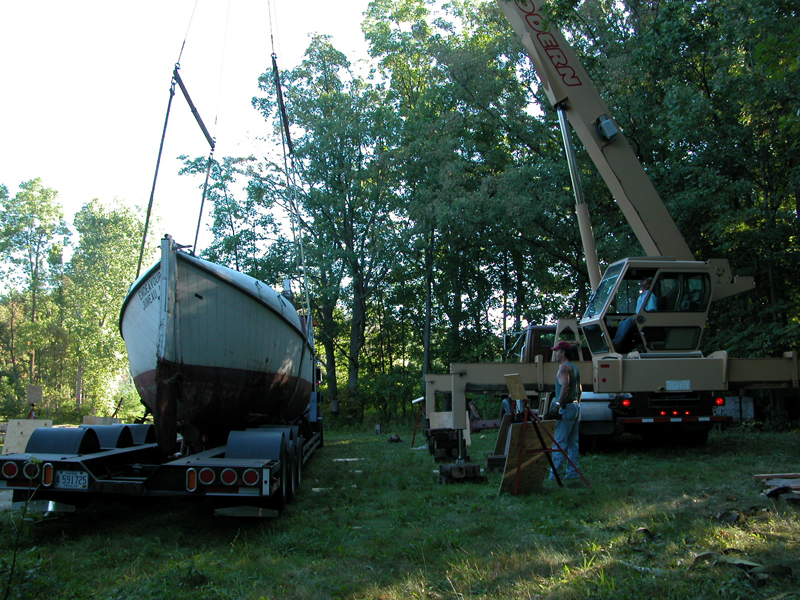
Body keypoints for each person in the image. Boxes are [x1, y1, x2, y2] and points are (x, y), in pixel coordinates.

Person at [549, 340, 581, 481]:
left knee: (559, 443)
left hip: (566, 407)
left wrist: (558, 403)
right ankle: (573, 474)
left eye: (557, 351)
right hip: (575, 407)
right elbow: (579, 388)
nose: (556, 353)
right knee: (573, 443)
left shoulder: (563, 368)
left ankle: (555, 475)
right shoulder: (575, 367)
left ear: (563, 352)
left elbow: (565, 387)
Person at [612, 277, 657, 348]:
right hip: (638, 318)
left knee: (628, 322)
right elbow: (637, 313)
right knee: (622, 322)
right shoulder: (640, 298)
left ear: (648, 285)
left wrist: (641, 316)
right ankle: (618, 343)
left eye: (644, 280)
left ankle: (616, 343)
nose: (641, 280)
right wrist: (628, 317)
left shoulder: (650, 296)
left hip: (645, 320)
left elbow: (652, 310)